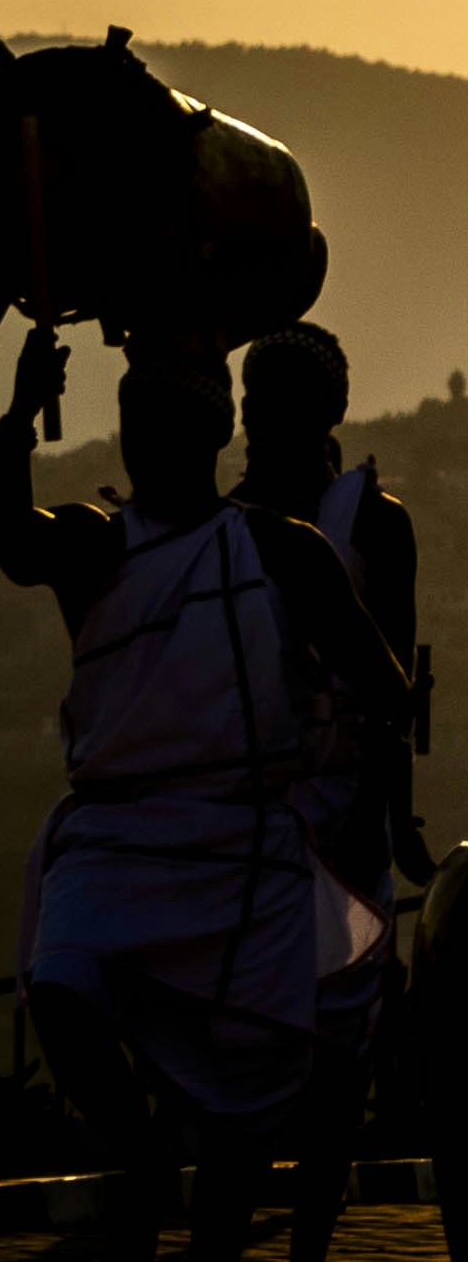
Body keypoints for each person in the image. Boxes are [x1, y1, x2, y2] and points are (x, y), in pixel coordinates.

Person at [0, 324, 410, 1262]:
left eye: (177, 418)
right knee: (58, 984)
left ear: (213, 429)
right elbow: (8, 539)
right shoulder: (99, 542)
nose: (154, 439)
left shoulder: (282, 549)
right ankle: (136, 1156)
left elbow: (383, 682)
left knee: (241, 1119)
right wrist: (17, 414)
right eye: (139, 416)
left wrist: (332, 737)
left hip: (245, 847)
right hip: (112, 837)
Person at [234, 321, 435, 1252]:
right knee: (237, 1047)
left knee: (333, 1056)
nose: (255, 426)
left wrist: (388, 821)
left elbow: (389, 687)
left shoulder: (370, 523)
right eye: (247, 408)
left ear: (326, 417)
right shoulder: (227, 525)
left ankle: (310, 1240)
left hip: (341, 814)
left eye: (275, 410)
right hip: (243, 818)